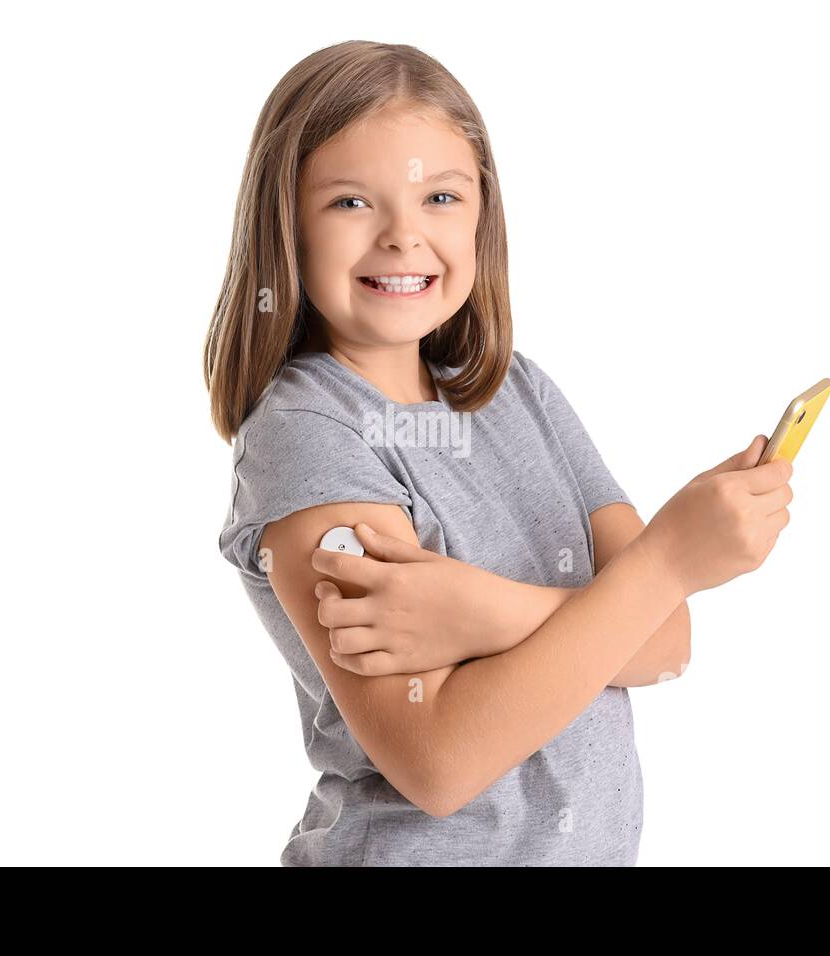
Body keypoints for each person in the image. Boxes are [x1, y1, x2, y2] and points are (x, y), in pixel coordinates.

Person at [205, 40, 793, 866]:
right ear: (286, 226)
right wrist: (663, 565)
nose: (403, 237)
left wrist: (484, 608)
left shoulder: (518, 392)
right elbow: (439, 763)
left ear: (483, 214)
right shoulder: (307, 437)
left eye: (440, 196)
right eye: (349, 203)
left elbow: (666, 644)